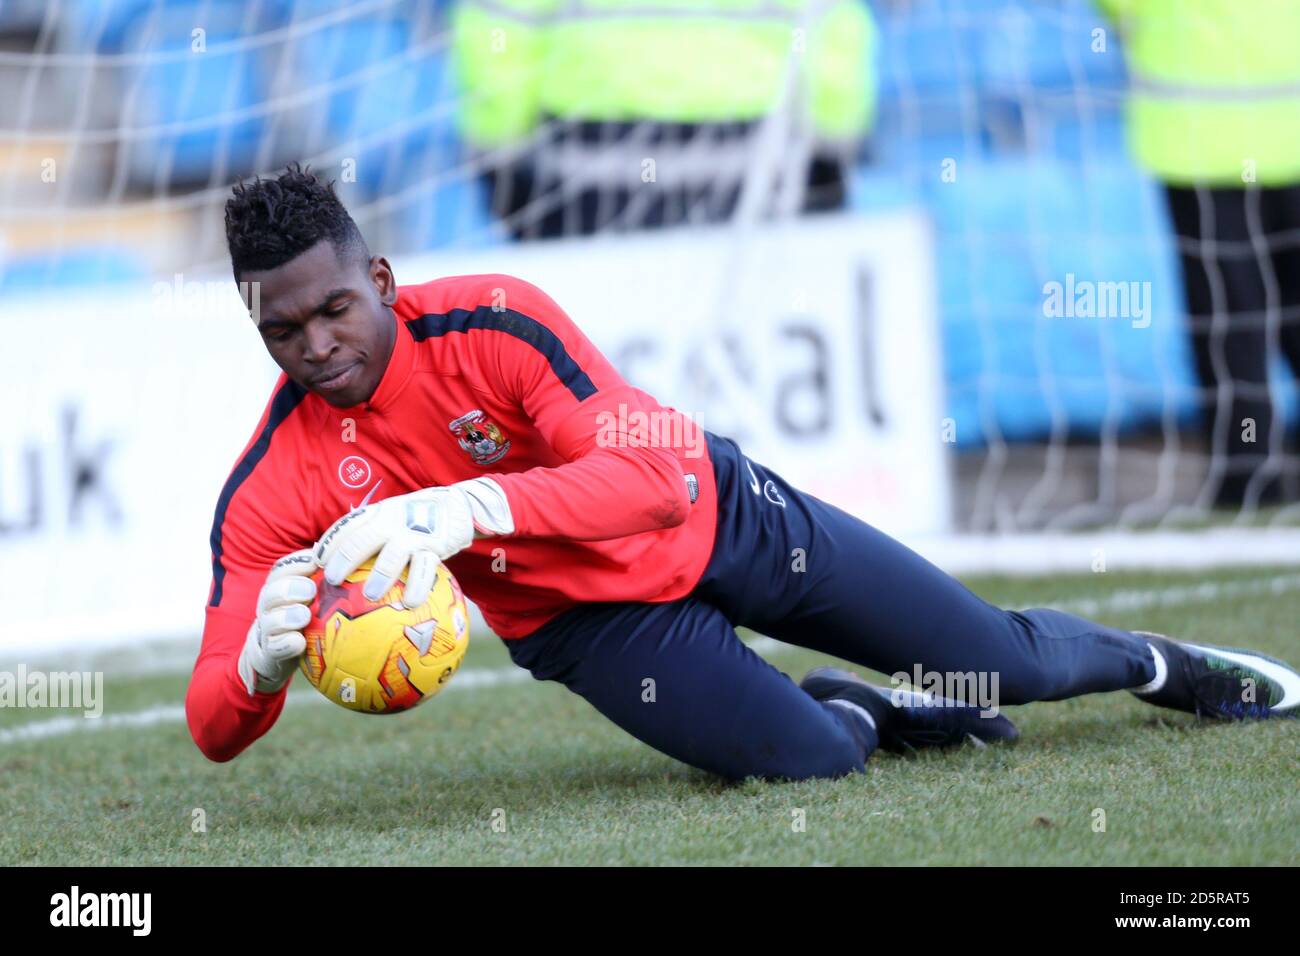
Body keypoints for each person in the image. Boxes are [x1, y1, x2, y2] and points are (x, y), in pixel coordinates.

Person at [186, 165, 1299, 778]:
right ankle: (855, 710)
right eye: (284, 330)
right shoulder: (273, 477)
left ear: (378, 276)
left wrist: (468, 504)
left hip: (727, 520)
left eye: (336, 308)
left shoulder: (497, 321)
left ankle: (1162, 663)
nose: (318, 344)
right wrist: (261, 665)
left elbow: (655, 480)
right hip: (594, 628)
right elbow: (209, 724)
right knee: (812, 762)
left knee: (1000, 663)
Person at [450, 0, 875, 239]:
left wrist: (501, 168)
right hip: (757, 179)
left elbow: (496, 39)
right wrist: (830, 156)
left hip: (584, 185)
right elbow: (838, 41)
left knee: (596, 371)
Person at [1101, 0, 1300, 507]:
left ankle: (1249, 484)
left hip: (1199, 133)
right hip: (1271, 126)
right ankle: (1249, 480)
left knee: (1229, 330)